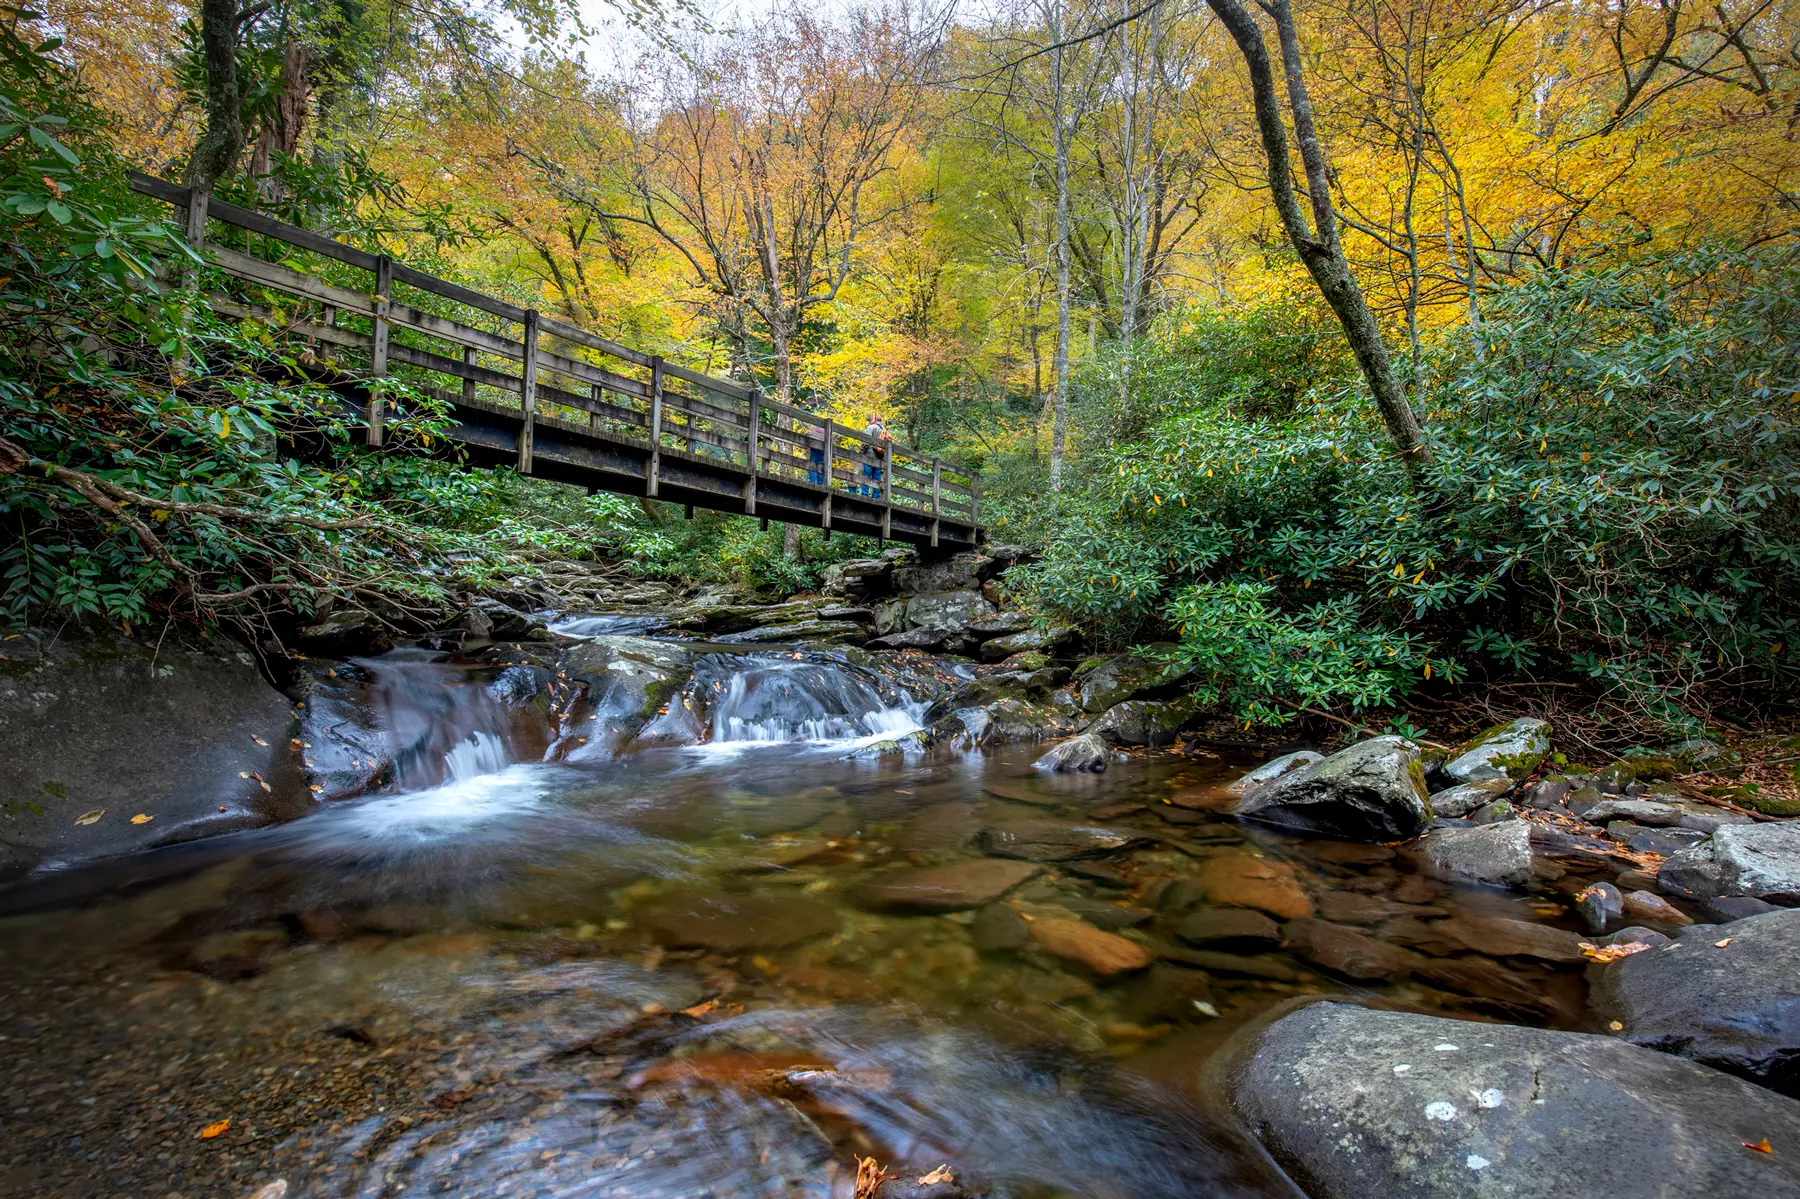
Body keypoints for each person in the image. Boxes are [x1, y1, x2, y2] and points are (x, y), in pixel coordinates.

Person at [861, 416, 891, 498]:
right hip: (880, 457)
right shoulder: (884, 430)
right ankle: (876, 497)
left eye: (870, 420)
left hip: (869, 456)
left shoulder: (871, 427)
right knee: (876, 478)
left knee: (866, 476)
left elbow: (866, 442)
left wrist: (862, 452)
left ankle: (864, 495)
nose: (869, 421)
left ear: (874, 420)